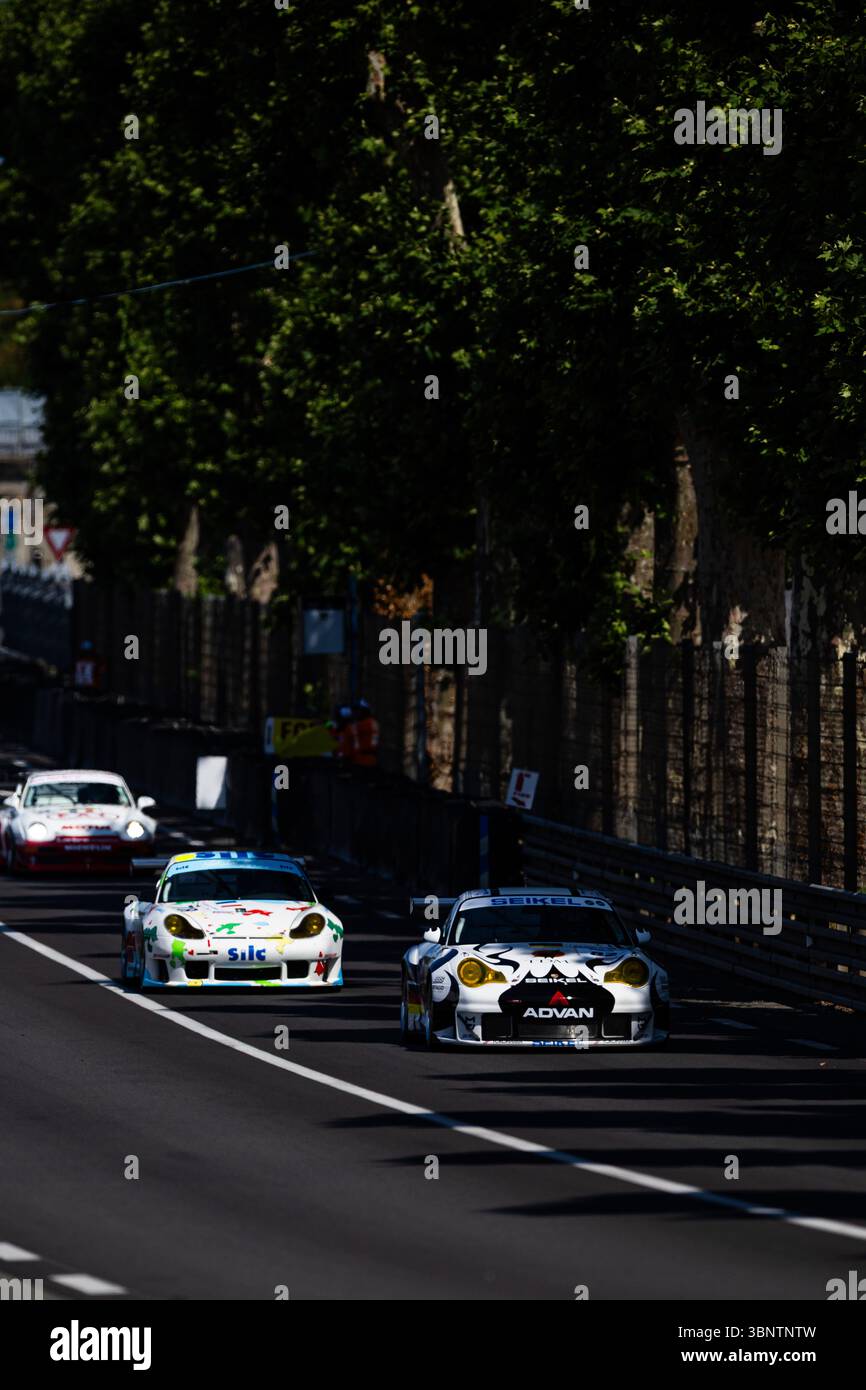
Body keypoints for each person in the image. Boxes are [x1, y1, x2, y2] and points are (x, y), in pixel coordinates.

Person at [351, 697, 380, 768]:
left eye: (358, 711)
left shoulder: (364, 724)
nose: (356, 713)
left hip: (364, 761)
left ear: (364, 711)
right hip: (366, 760)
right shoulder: (373, 722)